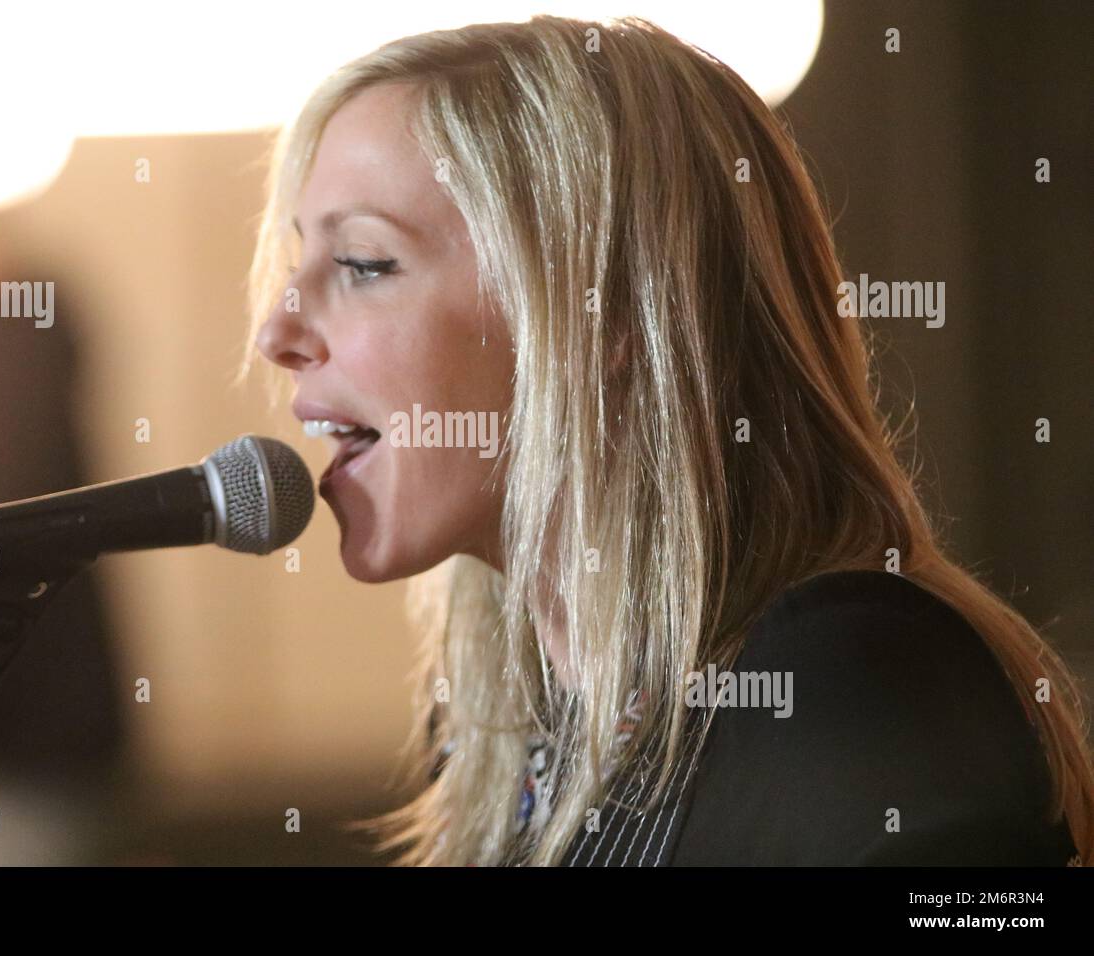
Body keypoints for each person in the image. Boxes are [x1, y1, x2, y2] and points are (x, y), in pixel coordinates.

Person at [247, 15, 1093, 866]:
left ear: (605, 313)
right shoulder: (521, 731)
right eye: (299, 263)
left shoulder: (848, 687)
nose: (275, 332)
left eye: (364, 263)